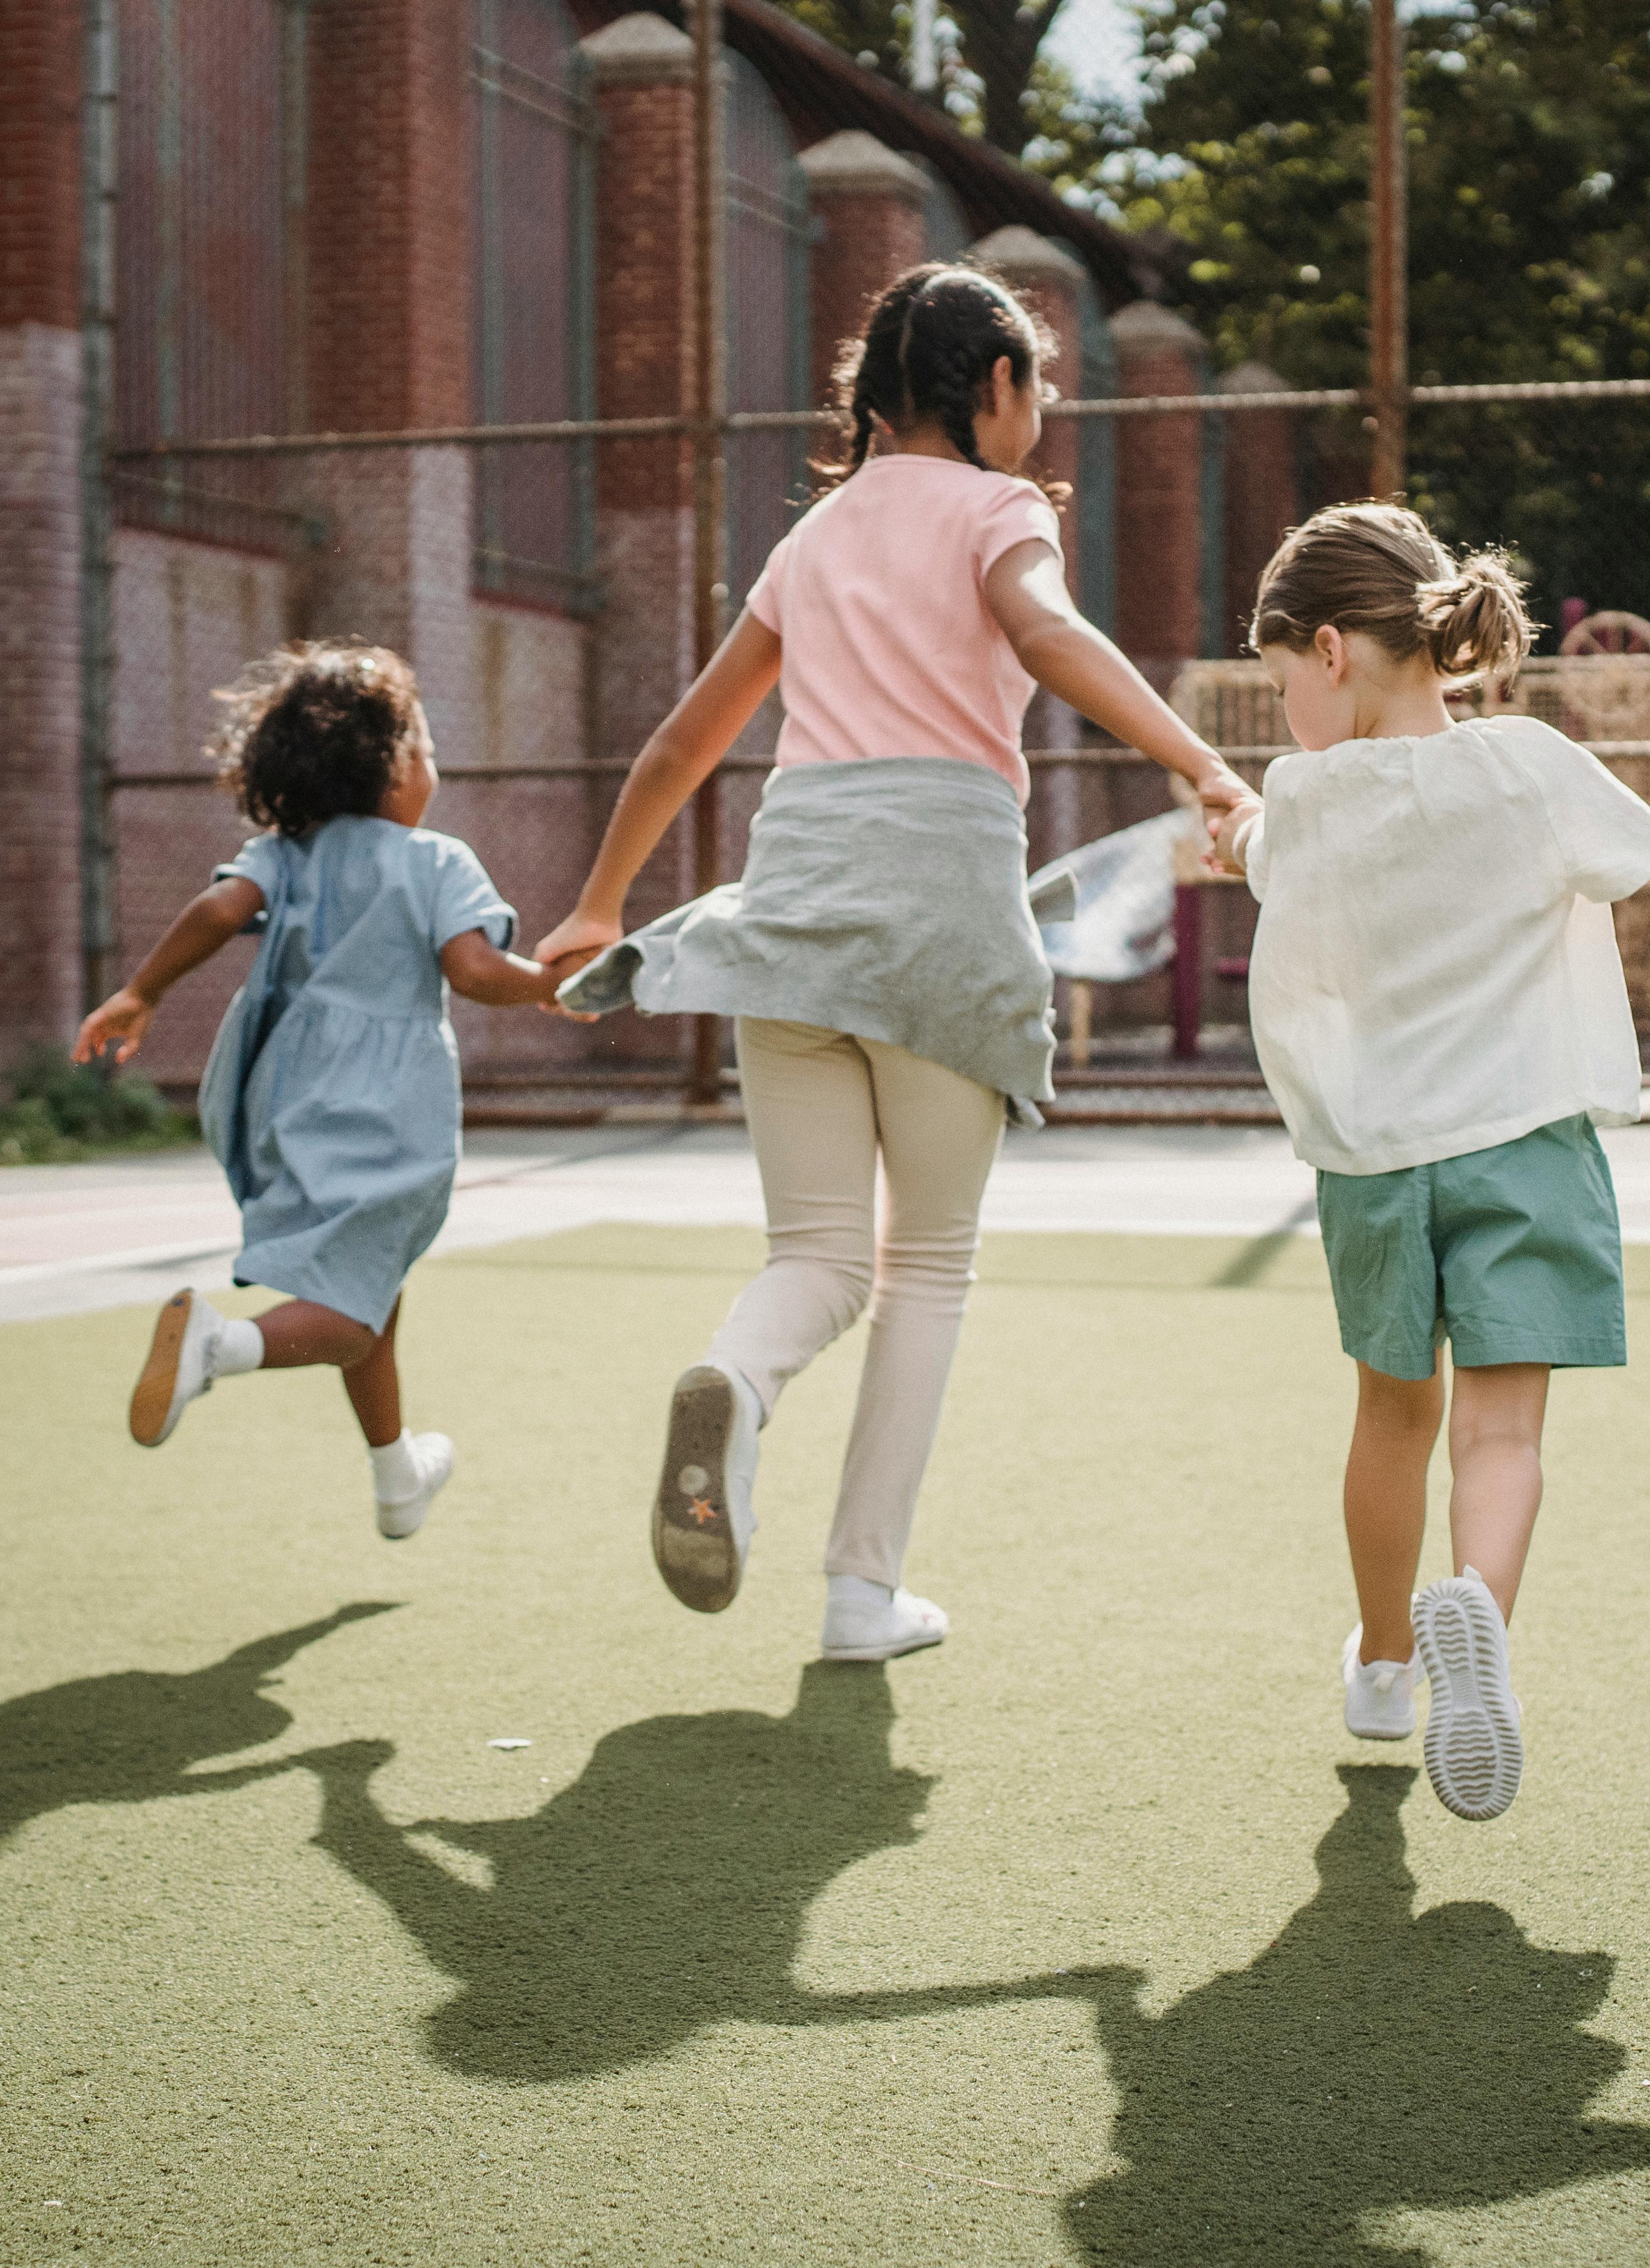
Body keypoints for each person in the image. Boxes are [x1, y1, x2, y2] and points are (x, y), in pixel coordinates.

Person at [533, 261, 1256, 1662]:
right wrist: (1203, 767)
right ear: (993, 390)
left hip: (791, 917)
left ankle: (737, 1379)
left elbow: (687, 740)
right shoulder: (998, 510)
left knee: (814, 1252)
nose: (1040, 412)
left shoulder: (812, 543)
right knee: (926, 1265)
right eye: (1037, 384)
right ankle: (862, 1594)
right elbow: (1046, 634)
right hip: (933, 923)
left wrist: (597, 903)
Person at [1212, 503, 1650, 1820]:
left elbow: (1254, 843)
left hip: (1375, 1162)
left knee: (1392, 1416)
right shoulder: (1530, 765)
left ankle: (1382, 1662)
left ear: (1327, 650)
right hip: (1527, 1141)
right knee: (1502, 1425)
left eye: (1276, 680)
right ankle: (1477, 1607)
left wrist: (1228, 828)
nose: (1280, 710)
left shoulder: (1301, 798)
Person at [75, 641, 569, 1539]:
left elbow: (219, 911)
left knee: (364, 1275)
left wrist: (141, 991)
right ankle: (219, 1346)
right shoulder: (436, 862)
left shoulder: (283, 852)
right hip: (384, 1100)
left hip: (283, 1081)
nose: (431, 767)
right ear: (390, 770)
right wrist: (550, 984)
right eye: (422, 748)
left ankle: (396, 1473)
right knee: (347, 1308)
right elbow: (475, 970)